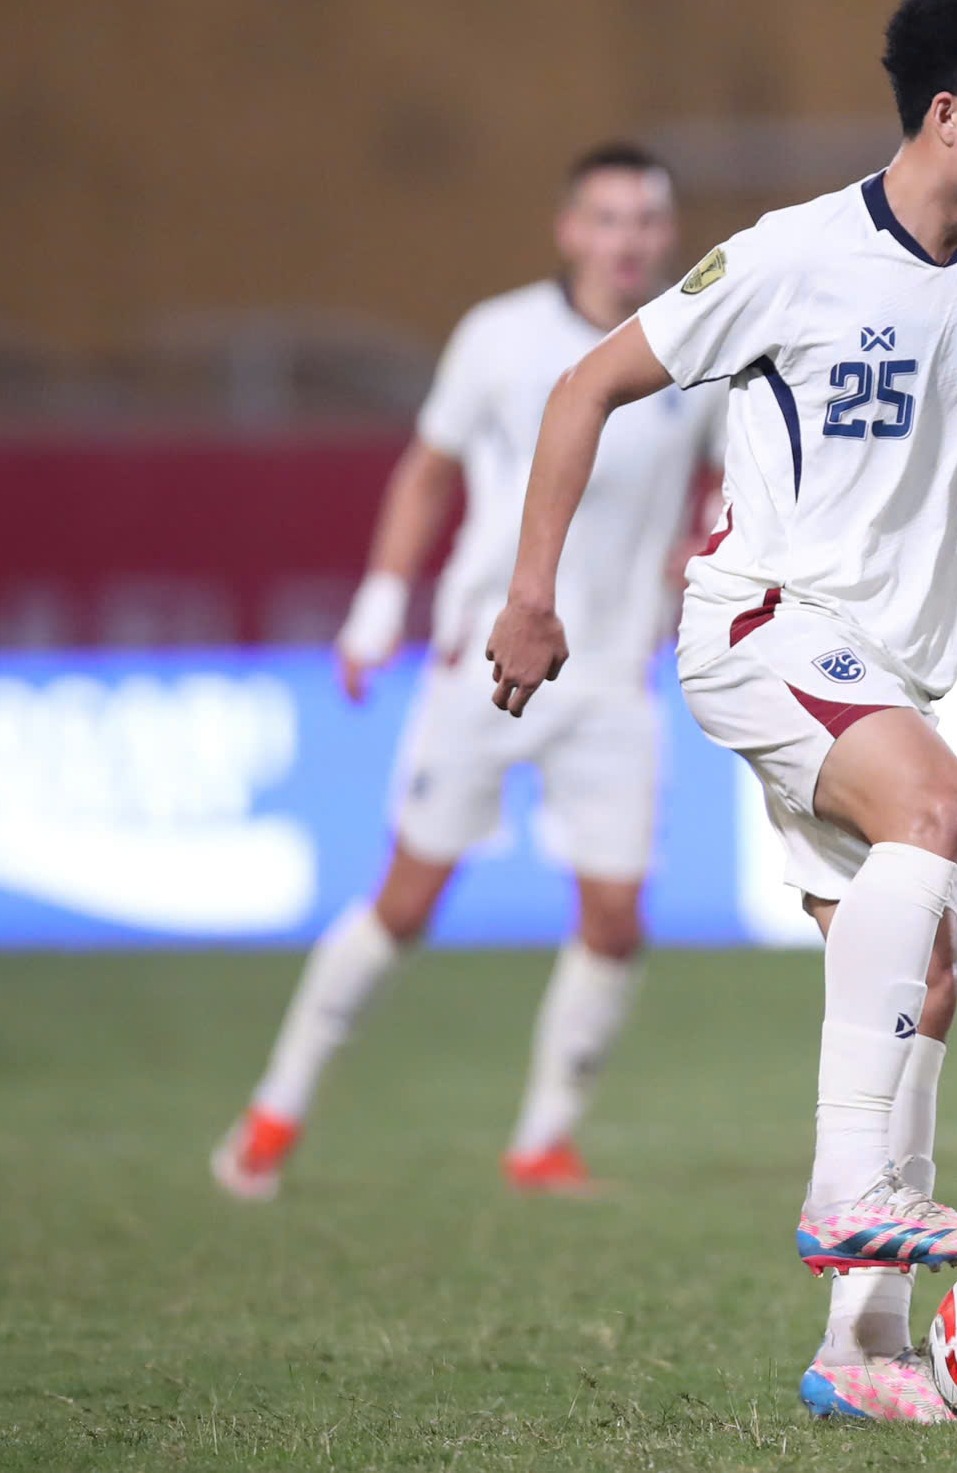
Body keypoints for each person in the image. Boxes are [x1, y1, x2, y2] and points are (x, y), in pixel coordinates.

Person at [482, 0, 957, 1426]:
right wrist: (532, 594)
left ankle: (859, 1351)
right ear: (950, 112)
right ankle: (847, 1185)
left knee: (921, 977)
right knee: (940, 802)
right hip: (762, 625)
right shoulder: (790, 256)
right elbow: (582, 387)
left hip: (886, 670)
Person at [212, 145, 717, 1202]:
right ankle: (274, 1109)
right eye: (608, 218)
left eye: (646, 221)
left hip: (614, 674)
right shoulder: (499, 337)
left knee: (618, 917)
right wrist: (377, 606)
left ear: (665, 235)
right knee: (404, 904)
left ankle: (543, 1139)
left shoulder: (692, 343)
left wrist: (711, 540)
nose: (628, 239)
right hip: (483, 665)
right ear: (569, 230)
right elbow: (429, 471)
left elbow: (720, 480)